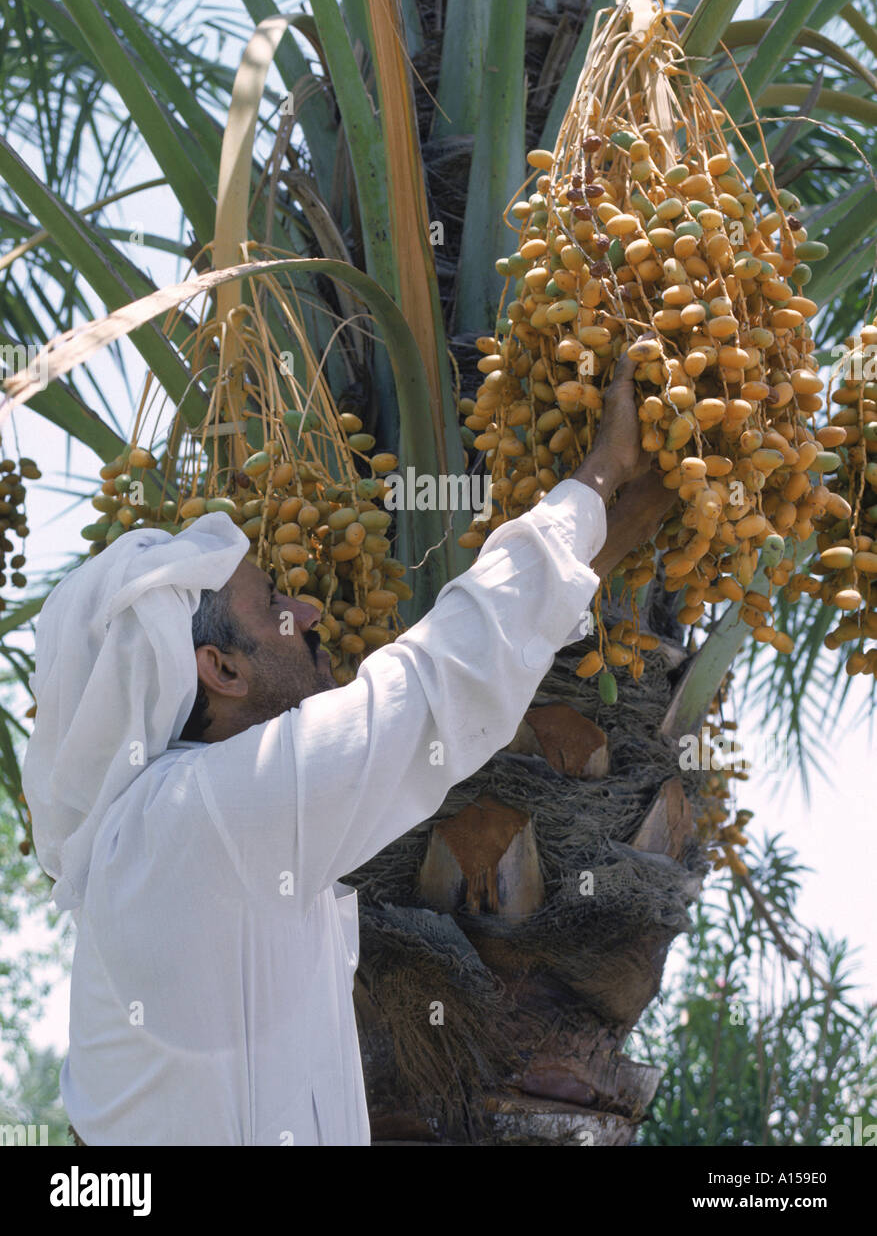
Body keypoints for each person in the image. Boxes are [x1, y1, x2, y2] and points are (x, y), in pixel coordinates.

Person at [23, 349, 671, 1146]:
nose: (310, 608)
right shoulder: (196, 818)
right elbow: (428, 690)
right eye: (273, 608)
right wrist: (599, 476)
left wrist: (589, 547)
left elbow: (441, 692)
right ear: (219, 668)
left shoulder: (163, 841)